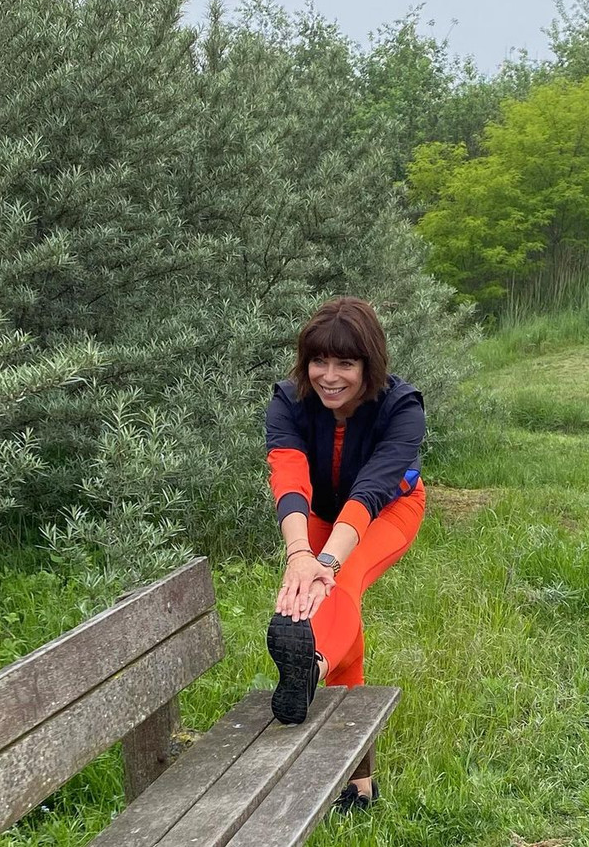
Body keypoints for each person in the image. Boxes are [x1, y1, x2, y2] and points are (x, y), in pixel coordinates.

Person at [264, 296, 426, 811]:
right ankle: (360, 783)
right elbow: (289, 478)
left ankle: (308, 664)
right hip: (316, 513)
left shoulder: (402, 408)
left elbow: (372, 491)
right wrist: (298, 555)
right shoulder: (289, 401)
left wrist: (325, 562)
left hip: (387, 511)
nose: (329, 376)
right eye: (319, 361)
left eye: (345, 363)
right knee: (336, 610)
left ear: (369, 363)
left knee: (342, 579)